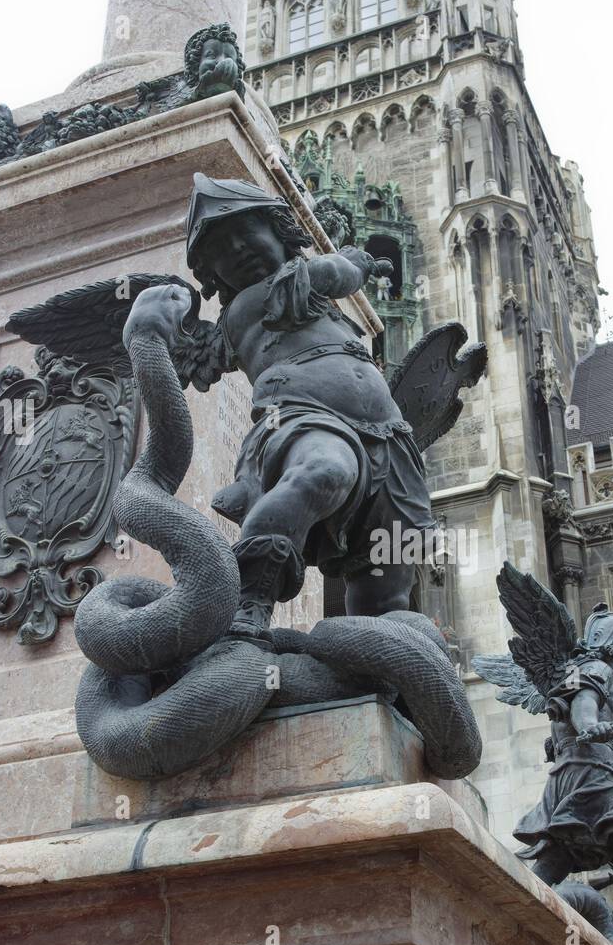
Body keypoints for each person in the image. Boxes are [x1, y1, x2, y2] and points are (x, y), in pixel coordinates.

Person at [125, 174, 437, 636]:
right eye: (223, 253)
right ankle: (250, 601)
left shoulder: (304, 292)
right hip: (301, 417)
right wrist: (357, 263)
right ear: (214, 277)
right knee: (323, 473)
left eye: (246, 235)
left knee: (390, 566)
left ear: (278, 230)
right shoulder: (256, 300)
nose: (239, 252)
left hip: (389, 437)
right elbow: (332, 274)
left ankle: (377, 663)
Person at [514, 604, 613, 884]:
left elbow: (569, 733)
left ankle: (531, 898)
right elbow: (583, 704)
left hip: (577, 771)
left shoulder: (582, 671)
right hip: (590, 774)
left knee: (563, 849)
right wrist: (591, 726)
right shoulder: (598, 670)